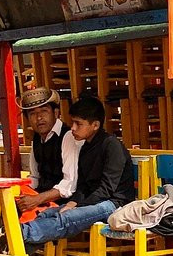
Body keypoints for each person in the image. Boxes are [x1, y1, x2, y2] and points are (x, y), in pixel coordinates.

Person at [21, 95, 135, 247]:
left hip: (114, 204)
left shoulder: (111, 145)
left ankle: (17, 235)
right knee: (47, 214)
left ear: (95, 125)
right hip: (93, 201)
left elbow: (107, 189)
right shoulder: (85, 146)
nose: (73, 128)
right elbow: (83, 185)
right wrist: (73, 202)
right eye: (73, 122)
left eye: (78, 124)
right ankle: (12, 247)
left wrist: (77, 206)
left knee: (67, 218)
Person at [14, 87, 79, 215]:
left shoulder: (68, 136)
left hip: (63, 204)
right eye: (32, 114)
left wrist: (36, 199)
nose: (39, 118)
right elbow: (35, 177)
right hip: (40, 199)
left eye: (44, 111)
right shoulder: (37, 138)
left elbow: (69, 185)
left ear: (55, 113)